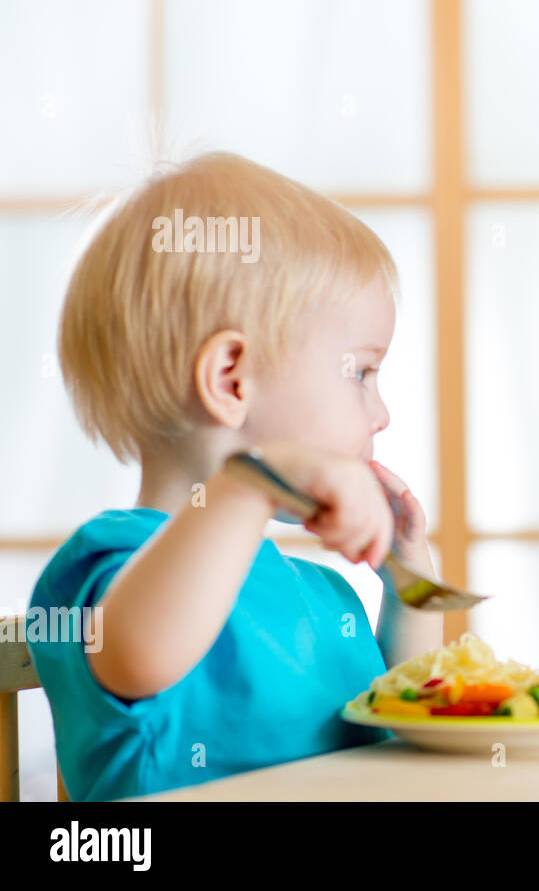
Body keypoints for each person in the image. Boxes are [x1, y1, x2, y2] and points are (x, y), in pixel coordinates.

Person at [28, 152, 441, 800]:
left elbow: (413, 715)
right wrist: (251, 482)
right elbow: (139, 654)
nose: (382, 413)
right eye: (360, 372)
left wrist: (409, 576)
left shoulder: (323, 595)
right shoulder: (106, 571)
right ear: (231, 380)